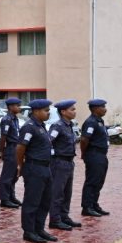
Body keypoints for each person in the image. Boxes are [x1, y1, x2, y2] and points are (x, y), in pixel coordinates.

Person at [16, 99, 57, 243]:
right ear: (36, 111)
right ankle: (29, 231)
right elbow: (21, 147)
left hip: (46, 167)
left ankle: (39, 228)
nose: (48, 112)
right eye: (46, 110)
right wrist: (20, 165)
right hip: (34, 168)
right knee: (32, 201)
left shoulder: (41, 125)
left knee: (45, 200)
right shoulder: (29, 127)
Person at [48, 99, 81, 232]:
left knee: (67, 192)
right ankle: (55, 220)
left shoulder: (69, 125)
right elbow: (48, 142)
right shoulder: (57, 126)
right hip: (59, 162)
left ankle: (64, 216)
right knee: (58, 192)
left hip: (69, 161)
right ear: (63, 111)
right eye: (72, 109)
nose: (74, 111)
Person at [79, 99, 111, 218]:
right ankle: (87, 207)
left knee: (99, 181)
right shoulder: (91, 122)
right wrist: (84, 153)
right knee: (92, 181)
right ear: (94, 109)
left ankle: (94, 204)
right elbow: (84, 139)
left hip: (101, 154)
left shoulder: (99, 121)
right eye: (102, 107)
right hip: (94, 154)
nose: (105, 109)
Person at [0, 97, 23, 209]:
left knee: (14, 175)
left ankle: (11, 196)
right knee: (7, 175)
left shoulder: (15, 119)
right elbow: (3, 137)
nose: (19, 107)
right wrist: (2, 151)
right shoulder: (7, 119)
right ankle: (4, 199)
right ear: (10, 107)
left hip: (16, 148)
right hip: (11, 148)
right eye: (17, 105)